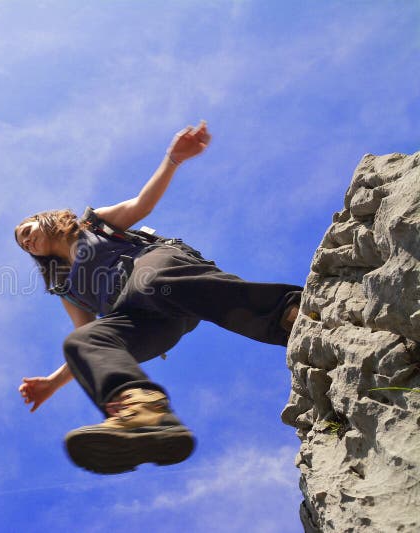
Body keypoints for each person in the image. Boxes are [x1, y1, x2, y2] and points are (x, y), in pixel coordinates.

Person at [15, 121, 302, 474]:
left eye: (26, 232)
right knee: (81, 340)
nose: (27, 242)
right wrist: (52, 384)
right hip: (149, 321)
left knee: (149, 281)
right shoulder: (65, 287)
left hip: (158, 273)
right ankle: (143, 413)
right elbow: (89, 341)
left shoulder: (93, 225)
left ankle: (288, 315)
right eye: (23, 244)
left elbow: (140, 205)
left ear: (42, 220)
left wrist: (173, 160)